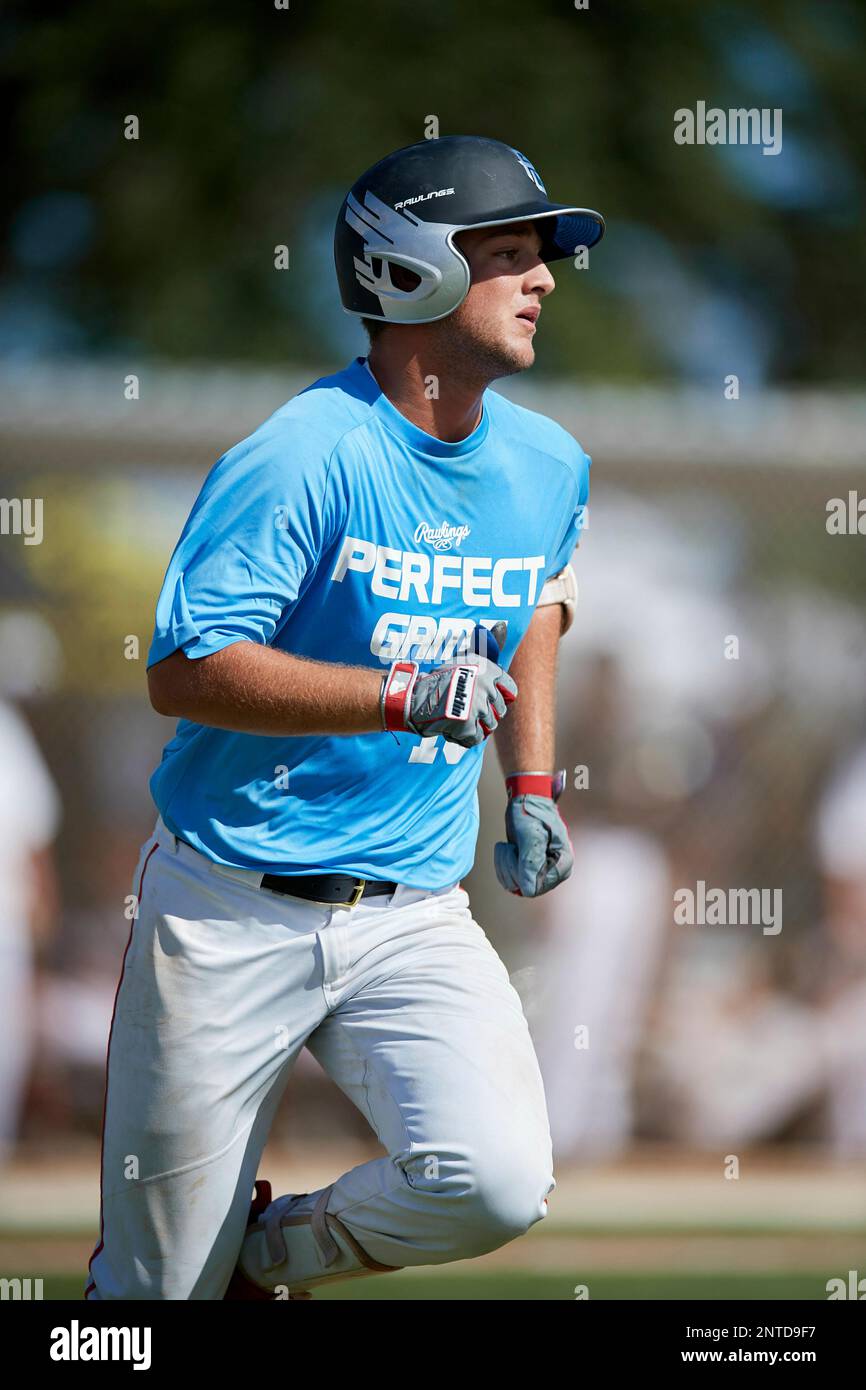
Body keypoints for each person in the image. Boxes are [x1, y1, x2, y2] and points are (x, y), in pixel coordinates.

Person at [85, 135, 605, 1300]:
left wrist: (529, 785)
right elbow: (186, 668)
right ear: (411, 271)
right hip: (227, 904)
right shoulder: (300, 453)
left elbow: (535, 601)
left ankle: (261, 1261)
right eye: (512, 253)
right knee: (148, 1303)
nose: (544, 281)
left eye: (540, 257)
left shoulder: (549, 461)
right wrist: (398, 694)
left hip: (412, 910)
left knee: (495, 1181)